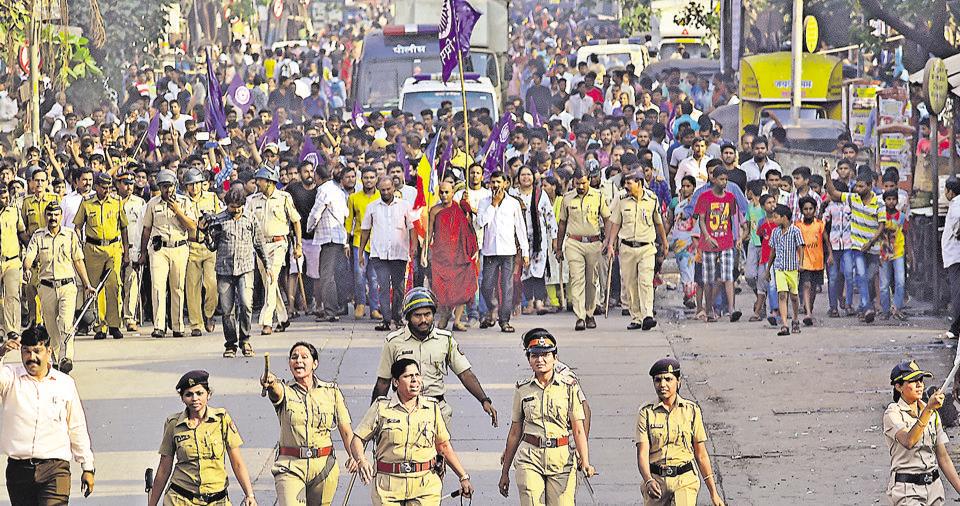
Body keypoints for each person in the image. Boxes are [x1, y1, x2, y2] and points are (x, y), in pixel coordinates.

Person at [350, 358, 475, 505]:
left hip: (425, 487)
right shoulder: (381, 408)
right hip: (388, 488)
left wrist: (463, 477)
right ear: (396, 382)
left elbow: (443, 446)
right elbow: (357, 439)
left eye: (417, 375)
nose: (415, 380)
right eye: (408, 376)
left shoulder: (432, 408)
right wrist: (361, 460)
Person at [372, 287, 498, 427]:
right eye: (417, 315)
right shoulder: (393, 342)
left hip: (437, 411)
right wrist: (374, 417)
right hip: (404, 413)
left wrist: (484, 400)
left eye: (427, 314)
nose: (423, 320)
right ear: (408, 317)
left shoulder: (445, 340)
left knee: (443, 449)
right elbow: (383, 382)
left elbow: (465, 374)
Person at [0, 326, 95, 505]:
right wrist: (1, 353)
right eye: (26, 352)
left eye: (37, 351)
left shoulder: (64, 384)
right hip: (19, 471)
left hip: (55, 469)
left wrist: (87, 466)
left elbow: (76, 426)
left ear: (48, 351)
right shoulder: (10, 377)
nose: (31, 357)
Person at [499, 328, 596, 503]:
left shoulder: (568, 382)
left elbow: (581, 421)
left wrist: (584, 458)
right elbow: (515, 430)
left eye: (545, 354)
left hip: (561, 458)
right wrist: (506, 467)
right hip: (530, 458)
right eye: (534, 355)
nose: (540, 359)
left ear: (554, 357)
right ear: (529, 358)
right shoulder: (523, 389)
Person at [260, 341, 357, 506]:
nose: (298, 361)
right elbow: (276, 392)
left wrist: (355, 457)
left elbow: (345, 430)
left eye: (304, 357)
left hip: (323, 467)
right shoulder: (285, 390)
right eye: (294, 357)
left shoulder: (331, 392)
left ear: (315, 364)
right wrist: (271, 382)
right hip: (290, 466)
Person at [148, 370, 257, 506]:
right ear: (182, 398)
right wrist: (152, 504)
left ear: (208, 395)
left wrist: (249, 494)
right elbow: (164, 468)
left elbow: (237, 463)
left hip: (217, 500)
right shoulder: (173, 424)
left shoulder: (221, 419)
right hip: (181, 499)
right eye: (188, 394)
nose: (194, 399)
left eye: (199, 393)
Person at [636, 358, 723, 506]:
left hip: (685, 480)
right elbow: (642, 453)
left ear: (678, 382)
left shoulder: (691, 411)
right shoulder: (646, 413)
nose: (662, 385)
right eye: (658, 380)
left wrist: (714, 493)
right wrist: (648, 480)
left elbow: (701, 454)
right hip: (657, 481)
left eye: (668, 379)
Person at [23, 203, 96, 373]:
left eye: (56, 215)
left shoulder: (69, 235)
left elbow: (78, 260)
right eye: (49, 215)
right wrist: (26, 268)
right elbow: (30, 255)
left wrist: (87, 284)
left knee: (65, 322)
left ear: (61, 216)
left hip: (67, 286)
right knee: (51, 327)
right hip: (47, 287)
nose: (53, 218)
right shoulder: (38, 235)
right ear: (45, 216)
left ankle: (66, 357)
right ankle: (56, 359)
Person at [202, 187, 266, 358]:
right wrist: (206, 232)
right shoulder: (219, 220)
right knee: (227, 309)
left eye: (238, 207)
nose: (235, 210)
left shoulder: (250, 219)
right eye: (232, 207)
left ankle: (245, 340)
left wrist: (266, 265)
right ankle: (230, 344)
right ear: (227, 205)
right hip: (225, 269)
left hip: (245, 268)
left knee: (246, 304)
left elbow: (259, 243)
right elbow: (212, 246)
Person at [884, 361, 960, 504]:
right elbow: (909, 441)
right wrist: (929, 410)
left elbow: (943, 457)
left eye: (920, 380)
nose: (919, 385)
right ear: (898, 386)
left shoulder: (931, 413)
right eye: (912, 381)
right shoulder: (893, 413)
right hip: (907, 491)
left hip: (934, 489)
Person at [607, 172, 668, 330]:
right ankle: (636, 317)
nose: (626, 186)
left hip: (647, 247)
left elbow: (658, 222)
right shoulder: (622, 201)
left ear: (639, 183)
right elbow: (615, 224)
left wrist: (665, 242)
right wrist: (610, 244)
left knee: (646, 282)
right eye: (625, 183)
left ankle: (648, 314)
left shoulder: (652, 199)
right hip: (627, 247)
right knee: (630, 284)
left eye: (630, 183)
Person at [139, 170, 197, 338]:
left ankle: (177, 325)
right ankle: (159, 326)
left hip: (179, 247)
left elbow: (192, 226)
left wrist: (177, 210)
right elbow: (146, 229)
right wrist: (142, 253)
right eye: (163, 187)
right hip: (159, 249)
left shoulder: (184, 202)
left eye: (169, 186)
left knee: (177, 287)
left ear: (175, 186)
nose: (167, 190)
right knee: (157, 287)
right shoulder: (152, 204)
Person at [245, 166, 302, 335]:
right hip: (260, 246)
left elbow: (296, 221)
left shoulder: (284, 198)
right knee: (270, 283)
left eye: (260, 180)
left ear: (270, 182)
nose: (257, 183)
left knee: (270, 278)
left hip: (278, 244)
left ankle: (267, 321)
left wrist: (298, 246)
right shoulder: (254, 200)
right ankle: (283, 318)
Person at [73, 171, 128, 340]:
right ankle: (100, 326)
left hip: (113, 248)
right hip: (93, 248)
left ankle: (114, 324)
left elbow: (124, 227)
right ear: (96, 187)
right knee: (95, 288)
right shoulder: (87, 203)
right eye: (103, 187)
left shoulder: (116, 202)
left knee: (113, 285)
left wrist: (125, 249)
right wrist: (80, 246)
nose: (106, 190)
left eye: (109, 187)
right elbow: (77, 226)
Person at [825, 170, 883, 323]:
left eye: (861, 186)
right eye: (856, 186)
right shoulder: (853, 198)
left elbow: (881, 226)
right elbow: (833, 192)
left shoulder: (879, 202)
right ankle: (867, 307)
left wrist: (870, 242)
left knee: (869, 278)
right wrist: (827, 174)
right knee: (862, 276)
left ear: (870, 186)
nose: (857, 189)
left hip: (873, 248)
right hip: (857, 247)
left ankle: (864, 307)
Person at [359, 176, 416, 331]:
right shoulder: (372, 207)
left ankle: (398, 318)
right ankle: (386, 319)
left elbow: (412, 228)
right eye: (382, 190)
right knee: (383, 286)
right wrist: (360, 253)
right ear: (379, 190)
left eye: (388, 189)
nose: (385, 192)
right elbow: (365, 231)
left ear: (393, 188)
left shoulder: (404, 206)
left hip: (399, 253)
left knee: (398, 287)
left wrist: (414, 247)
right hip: (379, 254)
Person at [556, 168, 610, 331]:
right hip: (574, 242)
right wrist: (559, 247)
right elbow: (562, 224)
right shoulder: (567, 198)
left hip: (593, 243)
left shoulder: (598, 196)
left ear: (589, 181)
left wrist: (608, 242)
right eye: (578, 183)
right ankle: (579, 316)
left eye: (584, 183)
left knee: (591, 281)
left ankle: (589, 313)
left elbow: (607, 219)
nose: (581, 186)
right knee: (577, 279)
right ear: (574, 182)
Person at [477, 170, 530, 333]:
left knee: (507, 286)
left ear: (505, 184)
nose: (495, 185)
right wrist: (494, 204)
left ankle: (504, 320)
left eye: (499, 182)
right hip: (490, 251)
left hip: (508, 251)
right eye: (493, 182)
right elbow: (480, 222)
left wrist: (525, 251)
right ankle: (492, 306)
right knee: (486, 285)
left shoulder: (513, 203)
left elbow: (520, 228)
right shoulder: (484, 202)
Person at [423, 181, 479, 330]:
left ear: (453, 193)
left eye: (447, 192)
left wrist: (467, 205)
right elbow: (429, 233)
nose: (444, 195)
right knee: (442, 289)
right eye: (441, 192)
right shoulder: (434, 210)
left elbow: (471, 223)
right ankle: (444, 315)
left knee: (462, 287)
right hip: (442, 255)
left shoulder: (460, 207)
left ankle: (458, 320)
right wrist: (424, 251)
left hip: (460, 254)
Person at [693, 167, 741, 323]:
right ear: (713, 179)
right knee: (709, 279)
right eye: (721, 179)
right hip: (709, 244)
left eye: (726, 179)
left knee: (728, 277)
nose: (724, 182)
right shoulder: (704, 197)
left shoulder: (730, 197)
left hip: (726, 241)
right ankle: (708, 309)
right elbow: (701, 219)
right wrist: (707, 237)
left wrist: (737, 237)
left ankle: (731, 310)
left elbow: (732, 218)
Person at [305, 162, 349, 322]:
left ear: (317, 177)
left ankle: (330, 312)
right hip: (337, 236)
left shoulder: (324, 190)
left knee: (326, 276)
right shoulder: (337, 189)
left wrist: (308, 227)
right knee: (333, 275)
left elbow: (316, 212)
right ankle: (334, 308)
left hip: (329, 237)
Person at [182, 168, 222, 336]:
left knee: (211, 284)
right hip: (191, 247)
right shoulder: (182, 201)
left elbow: (221, 218)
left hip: (209, 247)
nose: (194, 188)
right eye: (190, 185)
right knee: (192, 287)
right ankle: (196, 324)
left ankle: (209, 313)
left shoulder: (212, 198)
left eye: (197, 184)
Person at [20, 167, 59, 327]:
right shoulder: (27, 202)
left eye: (43, 180)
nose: (40, 183)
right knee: (31, 289)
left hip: (50, 252)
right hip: (33, 251)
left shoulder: (54, 199)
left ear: (47, 182)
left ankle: (49, 322)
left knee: (49, 291)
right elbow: (22, 228)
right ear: (31, 183)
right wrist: (30, 247)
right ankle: (33, 322)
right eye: (37, 180)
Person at [866, 189, 912, 321]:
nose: (891, 202)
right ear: (884, 201)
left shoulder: (902, 217)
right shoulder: (879, 217)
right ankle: (885, 310)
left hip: (898, 252)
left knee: (900, 281)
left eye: (893, 199)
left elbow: (906, 235)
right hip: (883, 253)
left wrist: (909, 253)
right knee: (884, 284)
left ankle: (897, 308)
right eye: (888, 199)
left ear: (897, 201)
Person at [766, 204, 804, 336]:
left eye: (776, 217)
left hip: (792, 268)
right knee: (782, 294)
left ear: (784, 218)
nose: (774, 220)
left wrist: (801, 263)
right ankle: (784, 324)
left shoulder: (795, 231)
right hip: (779, 268)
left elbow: (800, 248)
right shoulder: (775, 232)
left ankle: (795, 318)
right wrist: (768, 269)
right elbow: (772, 251)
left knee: (794, 296)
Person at [117, 171, 147, 332]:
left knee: (132, 283)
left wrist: (142, 251)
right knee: (115, 284)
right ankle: (114, 318)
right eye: (125, 183)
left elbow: (144, 228)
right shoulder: (113, 201)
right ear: (118, 184)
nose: (128, 186)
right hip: (114, 248)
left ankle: (130, 317)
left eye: (131, 183)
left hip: (133, 247)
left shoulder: (140, 202)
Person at [795, 196, 830, 326]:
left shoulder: (820, 225)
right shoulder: (798, 226)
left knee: (814, 288)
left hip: (818, 261)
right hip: (804, 261)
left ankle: (809, 307)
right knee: (806, 285)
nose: (808, 211)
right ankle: (808, 313)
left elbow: (826, 241)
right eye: (806, 209)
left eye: (811, 209)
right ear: (802, 211)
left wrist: (830, 255)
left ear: (815, 210)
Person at [0, 186, 23, 340]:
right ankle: (1, 329)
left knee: (12, 295)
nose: (7, 199)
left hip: (12, 260)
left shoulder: (14, 211)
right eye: (3, 197)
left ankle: (12, 329)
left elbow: (21, 232)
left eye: (7, 196)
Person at [942, 177, 960, 339]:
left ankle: (956, 327)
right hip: (954, 255)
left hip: (956, 256)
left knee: (957, 292)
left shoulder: (956, 207)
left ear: (950, 191)